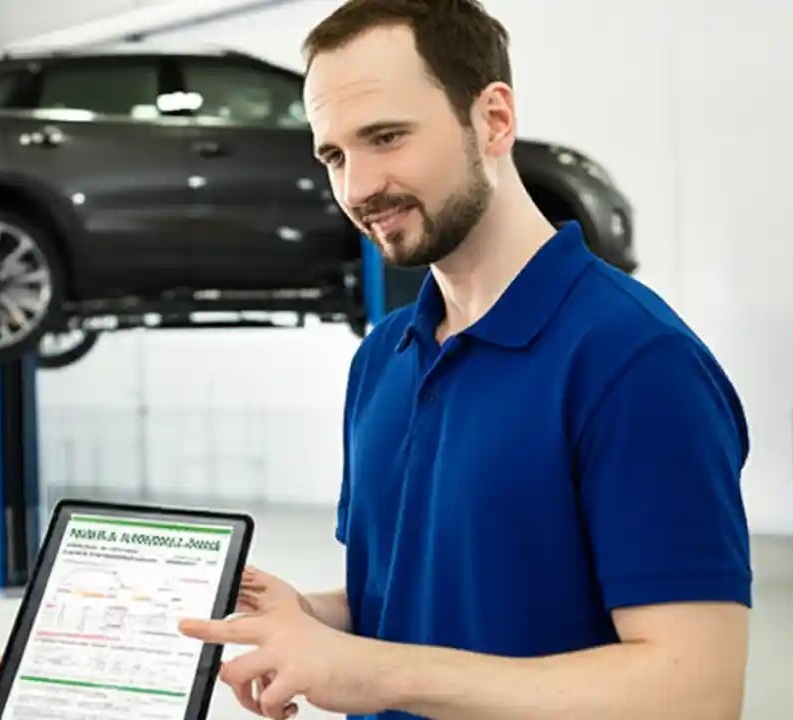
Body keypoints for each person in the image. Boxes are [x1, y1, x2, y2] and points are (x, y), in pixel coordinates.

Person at [179, 1, 752, 719]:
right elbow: (402, 599)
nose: (357, 189)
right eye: (334, 155)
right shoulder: (384, 357)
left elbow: (694, 693)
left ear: (493, 120)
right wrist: (303, 620)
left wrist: (375, 672)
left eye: (386, 137)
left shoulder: (636, 364)